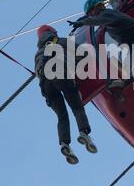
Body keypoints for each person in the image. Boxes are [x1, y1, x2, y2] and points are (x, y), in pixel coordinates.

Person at [69, 0, 134, 87]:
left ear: (99, 7)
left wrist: (82, 22)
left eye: (91, 12)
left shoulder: (107, 14)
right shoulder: (107, 23)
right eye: (89, 14)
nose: (91, 15)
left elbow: (98, 20)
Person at [35, 25, 97, 165]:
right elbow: (83, 55)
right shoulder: (61, 41)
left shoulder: (38, 53)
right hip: (60, 74)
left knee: (62, 116)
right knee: (77, 107)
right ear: (53, 32)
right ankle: (84, 133)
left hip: (45, 85)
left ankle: (64, 144)